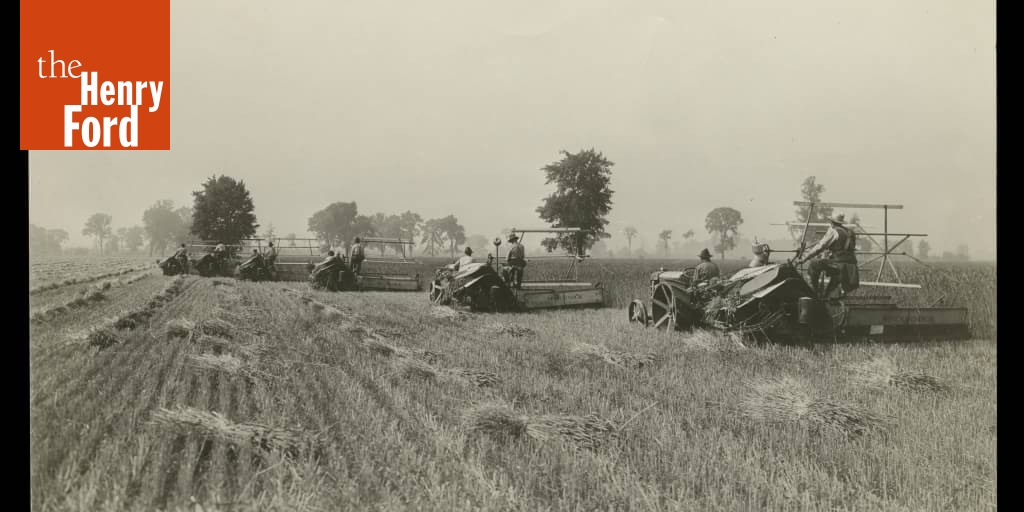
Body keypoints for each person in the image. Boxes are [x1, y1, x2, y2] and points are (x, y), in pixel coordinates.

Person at [797, 213, 859, 299]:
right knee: (831, 286)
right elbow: (847, 249)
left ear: (831, 221)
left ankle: (813, 293)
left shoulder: (833, 231)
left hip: (839, 264)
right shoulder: (850, 232)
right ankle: (826, 297)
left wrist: (805, 258)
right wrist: (831, 254)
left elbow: (820, 246)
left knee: (814, 264)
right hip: (851, 267)